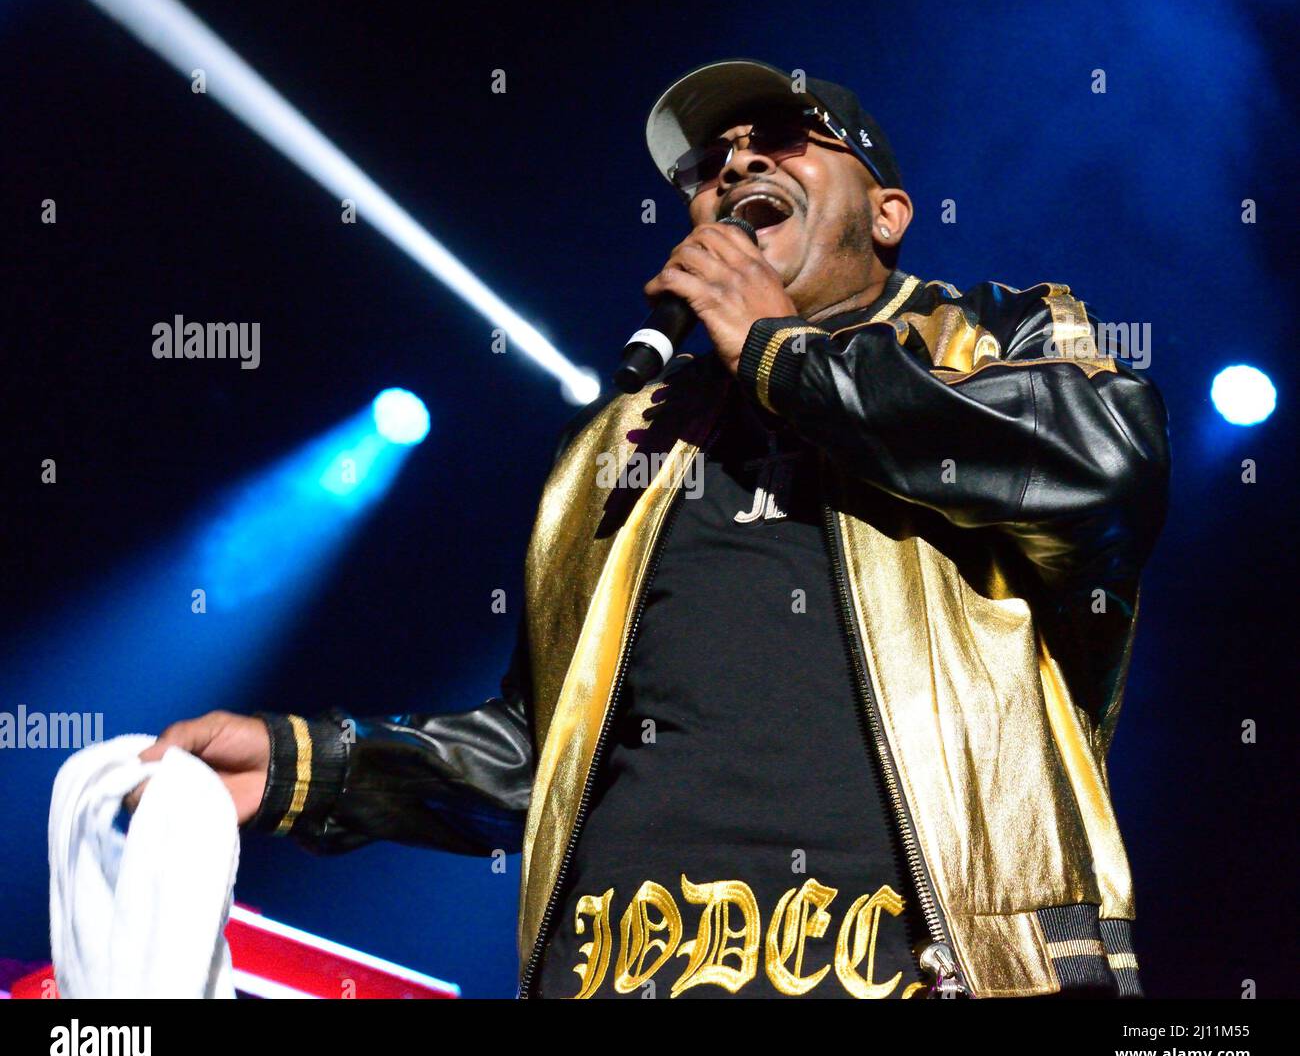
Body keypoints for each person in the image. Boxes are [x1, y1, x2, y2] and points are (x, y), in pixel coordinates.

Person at [128, 58, 1171, 1000]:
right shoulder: (623, 439)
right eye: (710, 166)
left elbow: (1101, 464)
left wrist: (785, 352)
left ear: (887, 211)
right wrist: (318, 764)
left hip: (915, 971)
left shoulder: (994, 336)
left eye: (781, 139)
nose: (735, 166)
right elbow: (553, 742)